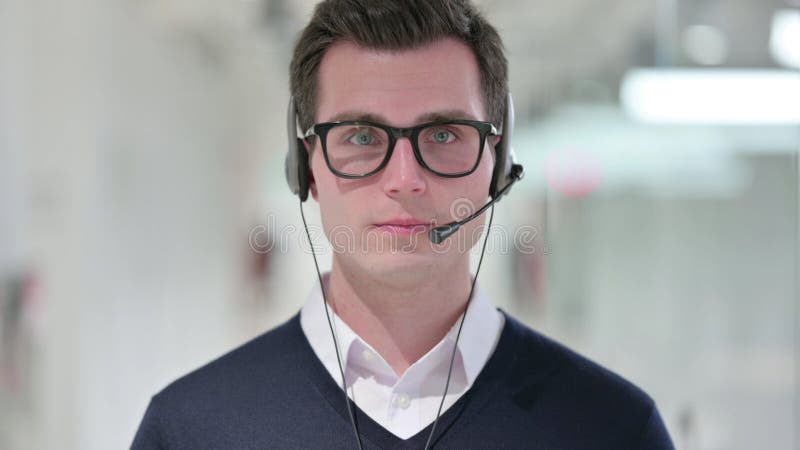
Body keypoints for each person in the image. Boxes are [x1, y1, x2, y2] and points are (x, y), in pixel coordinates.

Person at [131, 1, 675, 448]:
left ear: (498, 162)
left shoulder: (616, 430)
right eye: (362, 137)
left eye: (442, 135)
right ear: (306, 168)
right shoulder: (189, 433)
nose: (405, 179)